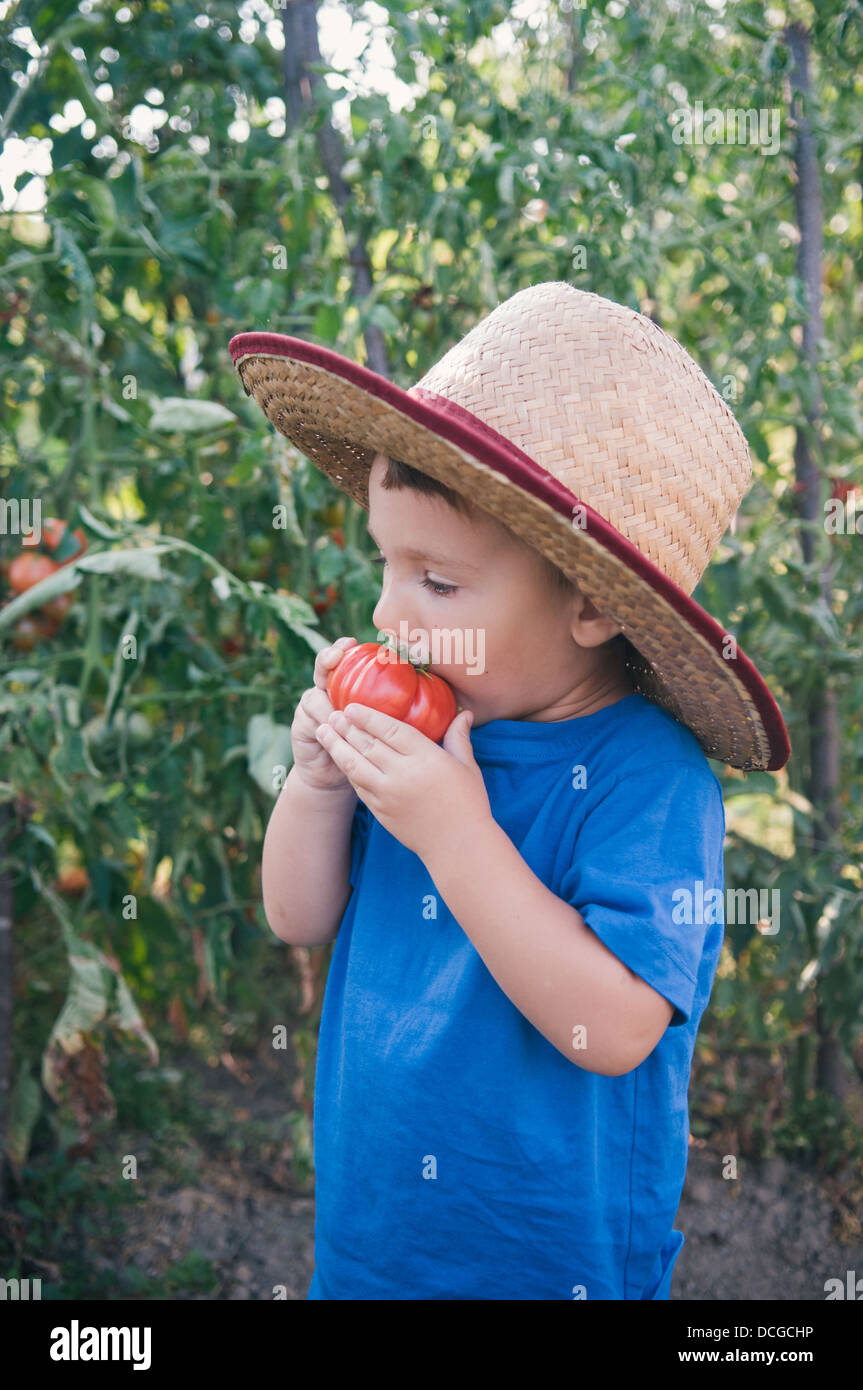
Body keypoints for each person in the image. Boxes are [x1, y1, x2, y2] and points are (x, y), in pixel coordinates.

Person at [234, 282, 791, 1299]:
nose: (387, 613)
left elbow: (615, 1029)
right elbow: (295, 916)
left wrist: (456, 835)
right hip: (375, 1236)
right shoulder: (424, 732)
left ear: (587, 604)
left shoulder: (644, 779)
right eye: (387, 567)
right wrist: (315, 783)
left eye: (436, 584)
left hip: (544, 1257)